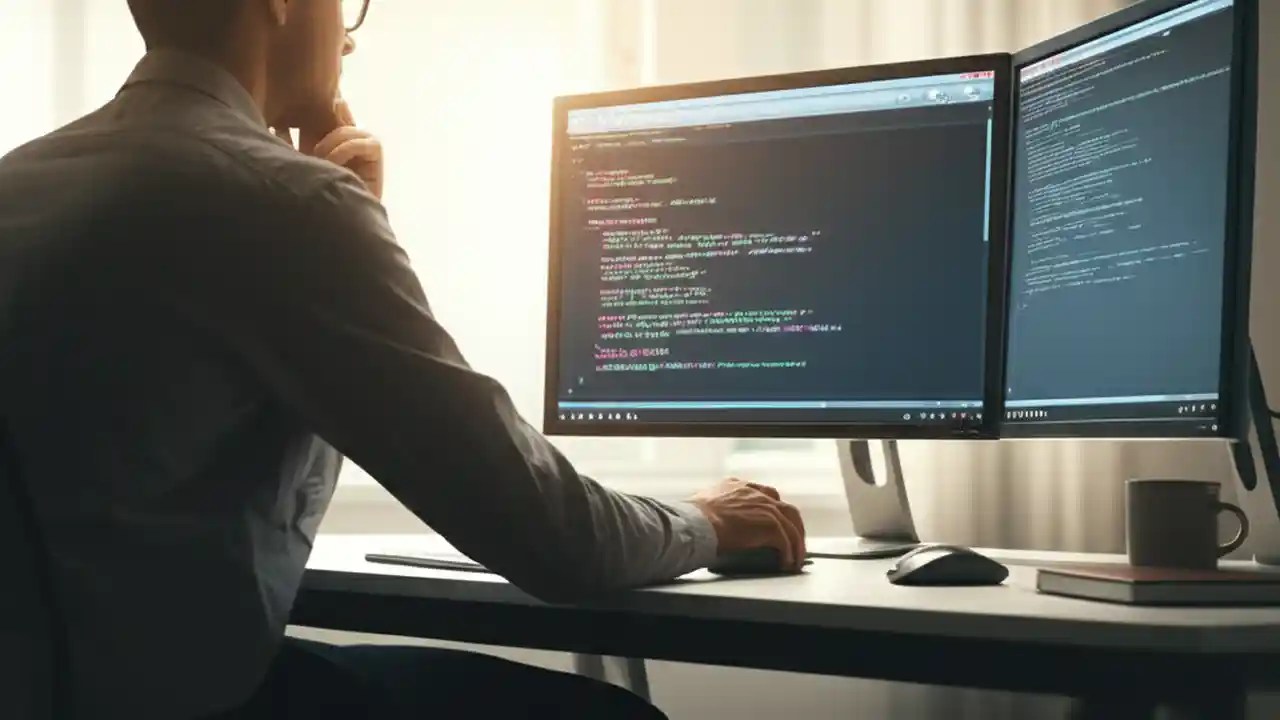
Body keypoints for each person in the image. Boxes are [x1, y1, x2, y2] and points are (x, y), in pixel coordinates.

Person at [0, 1, 807, 718]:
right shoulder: (284, 206)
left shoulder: (24, 179)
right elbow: (553, 539)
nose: (348, 41)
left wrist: (342, 242)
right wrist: (708, 523)